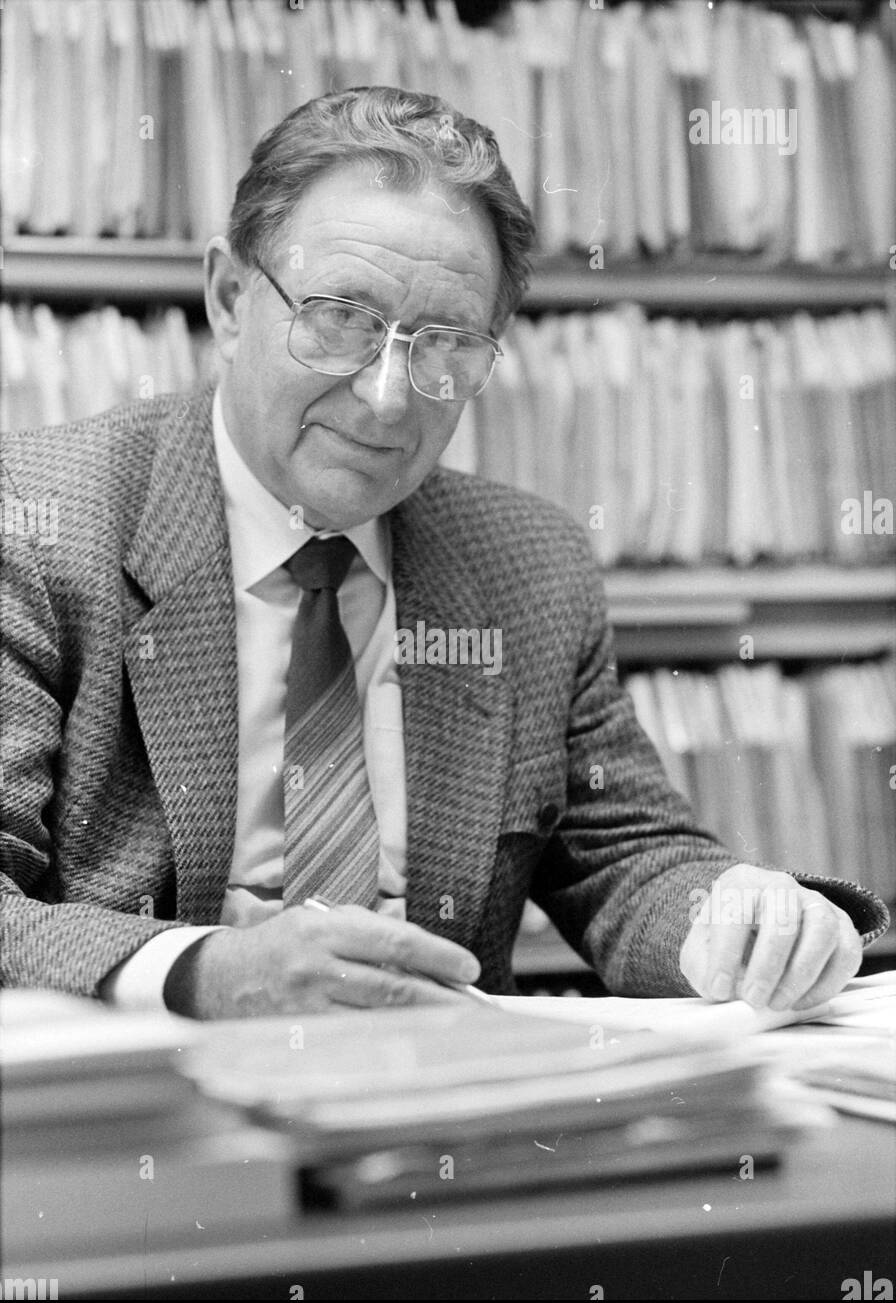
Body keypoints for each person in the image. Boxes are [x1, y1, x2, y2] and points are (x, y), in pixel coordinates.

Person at [0, 87, 885, 1020]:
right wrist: (207, 974)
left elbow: (628, 863)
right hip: (153, 1129)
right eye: (341, 317)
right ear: (228, 299)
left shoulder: (526, 566)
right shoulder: (39, 522)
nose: (388, 398)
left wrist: (741, 920)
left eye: (447, 345)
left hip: (442, 1118)